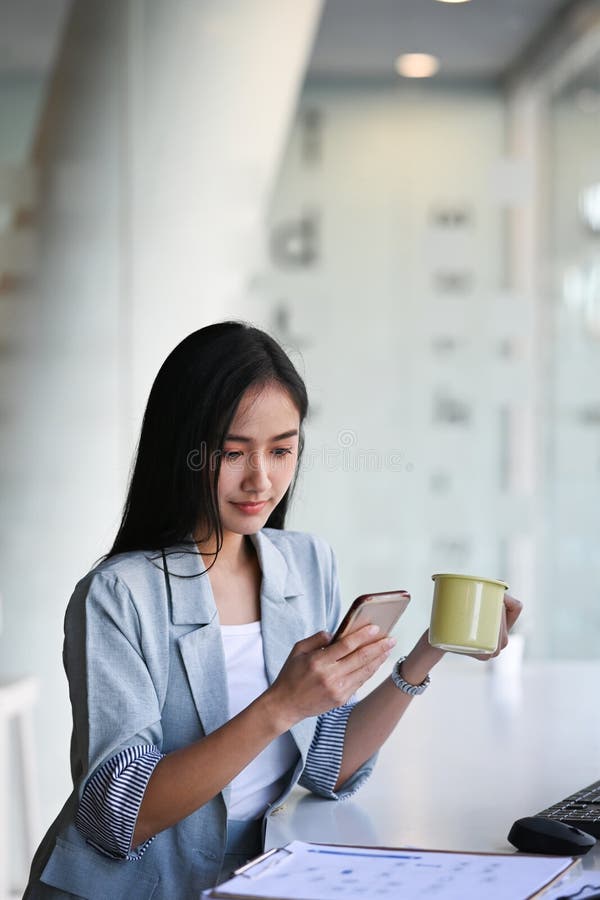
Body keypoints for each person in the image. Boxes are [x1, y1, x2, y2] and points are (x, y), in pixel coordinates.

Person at [24, 321, 522, 898]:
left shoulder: (307, 564)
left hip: (259, 878)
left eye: (282, 450)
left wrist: (428, 651)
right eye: (233, 452)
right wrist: (281, 704)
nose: (261, 479)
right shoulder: (118, 595)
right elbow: (116, 818)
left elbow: (326, 764)